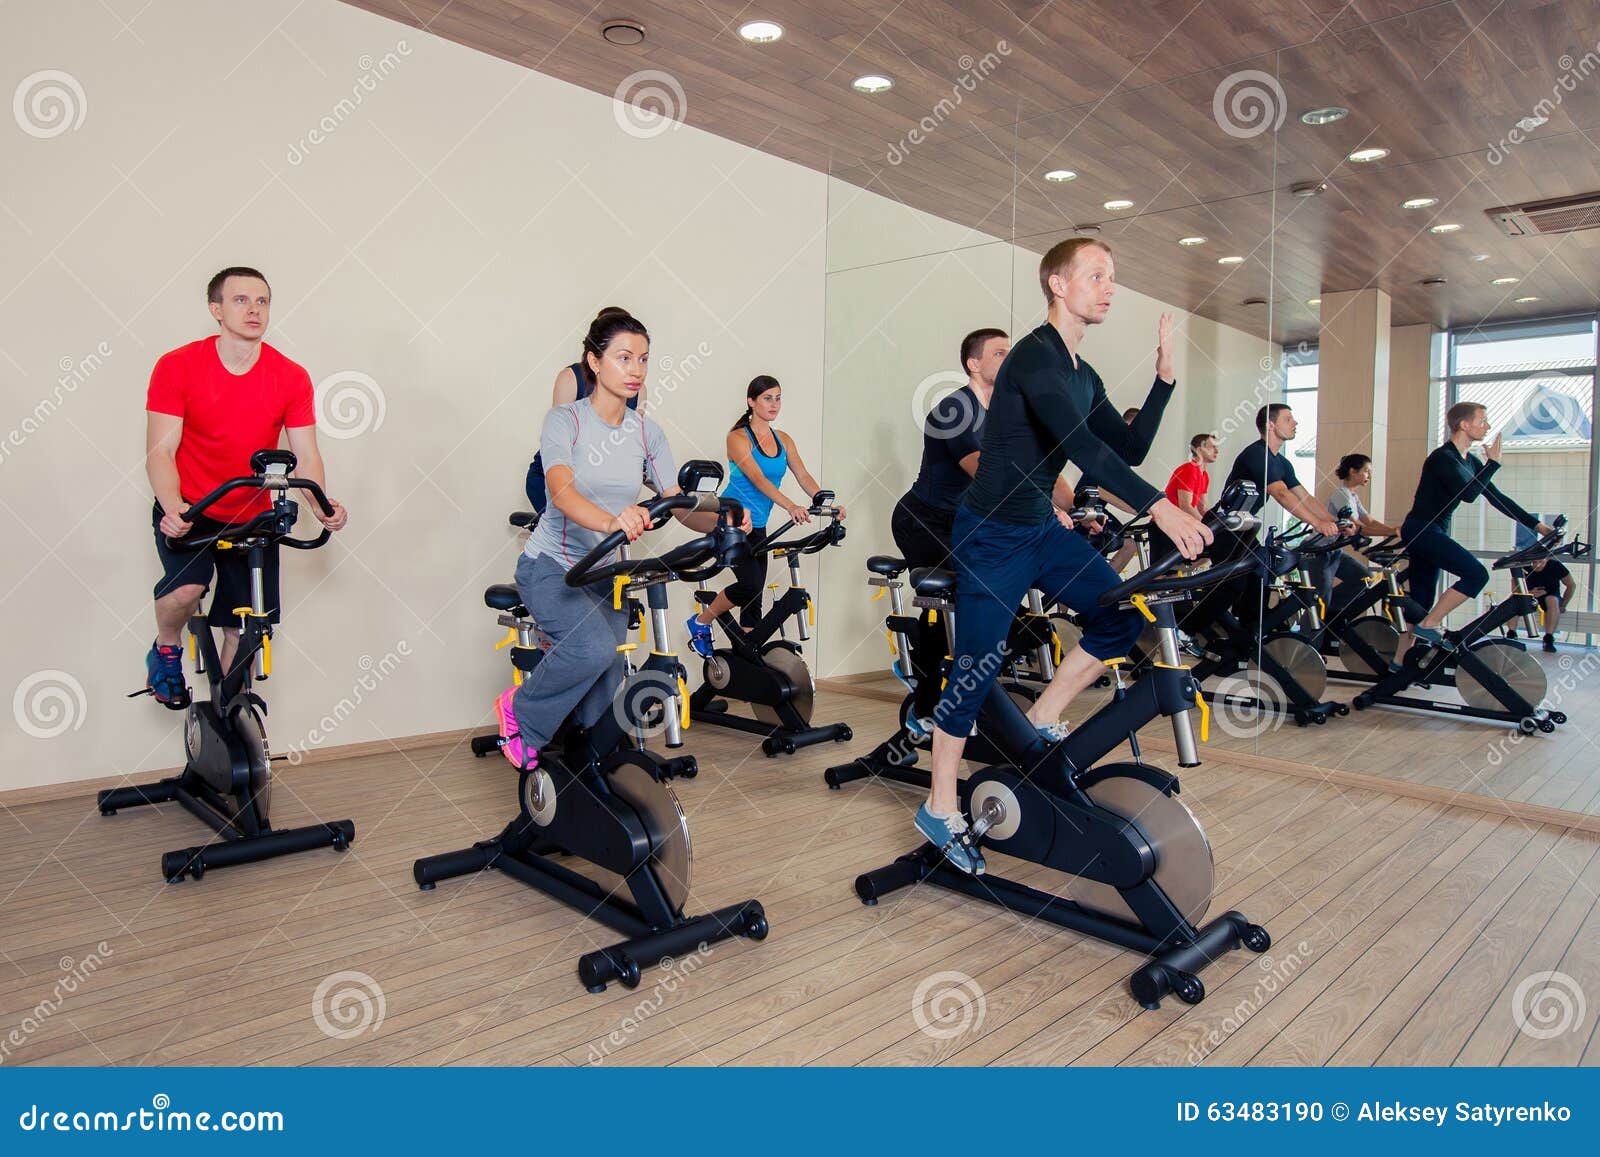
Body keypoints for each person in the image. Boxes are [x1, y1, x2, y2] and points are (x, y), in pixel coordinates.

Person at [915, 237, 1211, 874]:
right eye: (1097, 275)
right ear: (1057, 283)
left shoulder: (1081, 374)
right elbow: (1087, 450)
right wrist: (1161, 507)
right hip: (991, 534)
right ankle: (940, 806)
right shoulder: (1034, 359)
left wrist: (1163, 381)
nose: (1109, 287)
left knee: (1121, 617)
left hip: (1040, 534)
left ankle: (1043, 715)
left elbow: (1125, 447)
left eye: (1113, 277)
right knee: (974, 668)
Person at [496, 311, 749, 770]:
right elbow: (562, 491)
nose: (636, 370)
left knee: (608, 675)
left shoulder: (648, 434)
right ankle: (522, 712)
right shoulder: (564, 421)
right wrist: (614, 521)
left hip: (603, 574)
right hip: (552, 566)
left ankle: (595, 770)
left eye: (644, 360)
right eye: (623, 358)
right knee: (590, 649)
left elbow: (677, 503)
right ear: (594, 361)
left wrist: (724, 522)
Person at [143, 267, 348, 706]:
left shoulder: (290, 375)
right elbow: (160, 452)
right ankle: (165, 648)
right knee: (187, 589)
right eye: (240, 300)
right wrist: (173, 507)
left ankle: (228, 712)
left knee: (247, 621)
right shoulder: (177, 366)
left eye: (262, 301)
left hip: (251, 514)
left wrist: (321, 506)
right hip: (193, 505)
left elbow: (307, 457)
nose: (254, 310)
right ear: (215, 309)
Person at [682, 375, 842, 656]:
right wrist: (791, 506)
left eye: (778, 398)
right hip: (731, 523)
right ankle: (700, 622)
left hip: (759, 526)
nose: (774, 404)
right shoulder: (738, 438)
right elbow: (757, 479)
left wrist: (826, 502)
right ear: (751, 402)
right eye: (767, 398)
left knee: (754, 597)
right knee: (750, 585)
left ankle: (747, 653)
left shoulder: (784, 440)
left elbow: (802, 474)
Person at [1392, 402, 1554, 666]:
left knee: (1421, 600)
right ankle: (1430, 624)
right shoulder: (1442, 458)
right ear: (1464, 425)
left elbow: (1498, 499)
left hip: (1430, 531)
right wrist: (1493, 464)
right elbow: (1467, 495)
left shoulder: (1470, 461)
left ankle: (1398, 664)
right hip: (1421, 529)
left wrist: (1537, 526)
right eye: (1483, 421)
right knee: (1476, 574)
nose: (1487, 426)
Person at [890, 328, 1009, 569]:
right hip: (923, 521)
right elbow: (980, 468)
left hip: (960, 520)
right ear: (974, 364)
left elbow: (1022, 466)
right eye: (999, 353)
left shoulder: (1000, 414)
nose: (1010, 359)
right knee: (975, 587)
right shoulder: (955, 408)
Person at [525, 306, 646, 512]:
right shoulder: (571, 378)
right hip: (556, 478)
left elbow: (628, 443)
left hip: (598, 481)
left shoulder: (638, 390)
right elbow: (560, 442)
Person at [1318, 453, 1398, 621]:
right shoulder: (1341, 494)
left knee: (1364, 578)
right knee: (1321, 599)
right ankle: (1318, 626)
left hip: (1335, 552)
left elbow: (1370, 521)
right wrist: (1391, 532)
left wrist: (1393, 530)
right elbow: (1357, 527)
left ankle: (1331, 615)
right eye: (1367, 471)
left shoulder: (1353, 496)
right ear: (1353, 471)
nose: (1369, 476)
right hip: (1320, 552)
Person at [1522, 555, 1575, 652]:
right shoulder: (1523, 566)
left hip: (1550, 595)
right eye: (1534, 562)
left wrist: (1564, 605)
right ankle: (1511, 634)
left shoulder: (1556, 566)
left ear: (1547, 559)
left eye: (1541, 561)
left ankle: (1548, 639)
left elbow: (1571, 585)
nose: (1537, 565)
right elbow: (1515, 589)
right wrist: (1529, 592)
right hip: (1528, 595)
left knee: (1552, 600)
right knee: (1513, 600)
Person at [1166, 433, 1218, 519]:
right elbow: (1185, 506)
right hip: (1166, 524)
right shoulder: (1190, 469)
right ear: (1199, 450)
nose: (1217, 451)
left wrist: (1218, 523)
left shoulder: (1204, 475)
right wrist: (1205, 526)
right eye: (1212, 447)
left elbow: (1203, 507)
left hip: (1178, 523)